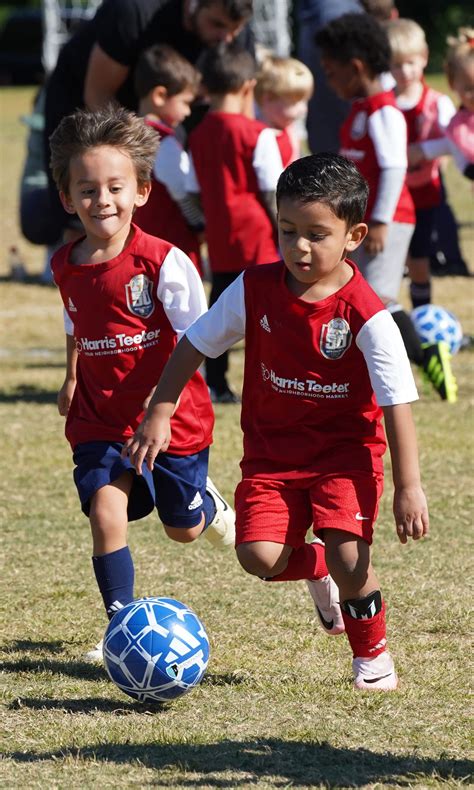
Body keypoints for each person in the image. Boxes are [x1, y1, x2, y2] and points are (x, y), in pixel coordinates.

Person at [123, 153, 430, 691]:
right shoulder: (253, 288)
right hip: (273, 456)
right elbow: (196, 342)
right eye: (288, 231)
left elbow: (396, 404)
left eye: (317, 234)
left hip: (344, 456)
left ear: (354, 236)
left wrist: (410, 487)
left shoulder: (368, 314)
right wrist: (160, 408)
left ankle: (372, 655)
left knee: (351, 556)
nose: (299, 247)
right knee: (258, 558)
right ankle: (317, 567)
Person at [48, 105, 235, 662]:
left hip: (172, 418)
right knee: (105, 513)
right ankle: (120, 627)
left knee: (183, 530)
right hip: (100, 417)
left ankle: (206, 504)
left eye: (115, 187)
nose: (102, 200)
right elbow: (75, 320)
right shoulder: (65, 264)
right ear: (67, 198)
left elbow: (198, 341)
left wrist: (161, 409)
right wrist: (71, 375)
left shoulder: (164, 263)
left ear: (142, 192)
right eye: (87, 190)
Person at [315, 13, 458, 403]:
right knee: (358, 292)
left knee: (377, 297)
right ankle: (358, 373)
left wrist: (379, 221)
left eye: (331, 72)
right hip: (366, 220)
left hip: (389, 220)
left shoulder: (384, 111)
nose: (329, 81)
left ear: (356, 67)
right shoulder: (362, 108)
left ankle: (425, 356)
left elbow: (395, 168)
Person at [39, 0, 254, 248]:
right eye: (217, 24)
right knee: (95, 201)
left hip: (168, 108)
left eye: (234, 30)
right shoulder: (134, 12)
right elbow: (97, 95)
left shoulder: (233, 30)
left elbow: (243, 112)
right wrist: (135, 152)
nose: (226, 37)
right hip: (87, 104)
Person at [187, 43, 283, 403]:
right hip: (257, 239)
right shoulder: (258, 133)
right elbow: (273, 191)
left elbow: (193, 189)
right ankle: (271, 382)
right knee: (267, 314)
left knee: (219, 314)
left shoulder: (197, 135)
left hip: (221, 238)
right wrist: (283, 231)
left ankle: (216, 383)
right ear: (248, 86)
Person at [385, 18, 457, 309]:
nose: (404, 72)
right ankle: (390, 314)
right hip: (391, 195)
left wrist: (424, 150)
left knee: (419, 257)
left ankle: (422, 314)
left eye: (410, 63)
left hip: (424, 193)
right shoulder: (383, 102)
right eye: (396, 64)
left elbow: (456, 141)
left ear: (424, 58)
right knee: (389, 258)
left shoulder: (436, 103)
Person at [133, 44, 204, 273]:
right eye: (185, 102)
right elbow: (181, 191)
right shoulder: (165, 143)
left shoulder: (124, 136)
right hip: (172, 248)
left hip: (138, 246)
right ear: (160, 96)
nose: (188, 112)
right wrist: (199, 225)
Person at [409, 28, 474, 183]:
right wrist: (422, 150)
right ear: (452, 84)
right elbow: (463, 163)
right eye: (468, 89)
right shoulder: (458, 127)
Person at [254, 54, 314, 166]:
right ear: (268, 98)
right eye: (295, 102)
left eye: (305, 101)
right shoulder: (255, 138)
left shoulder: (289, 131)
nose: (304, 109)